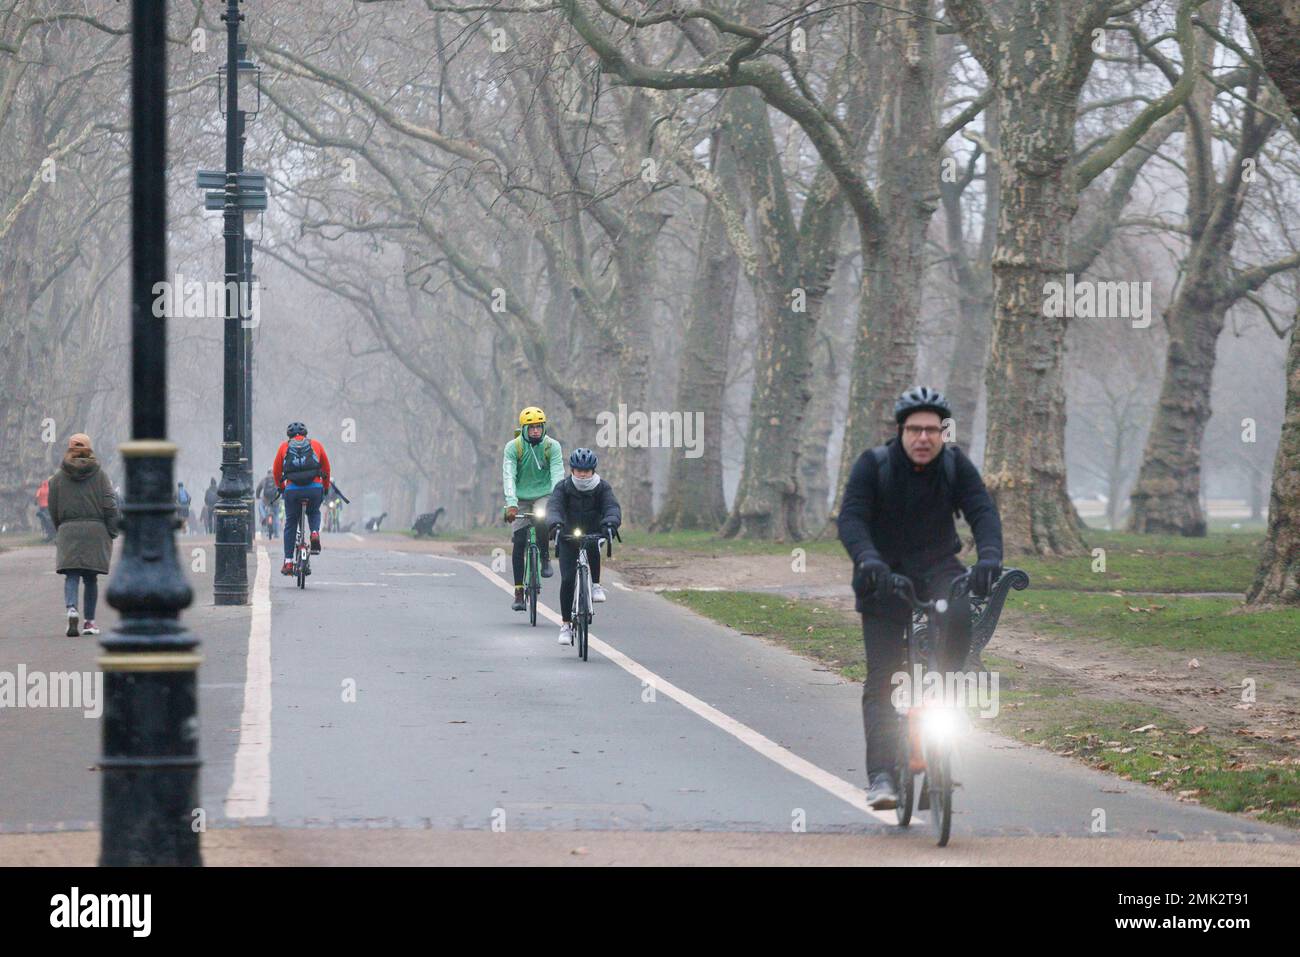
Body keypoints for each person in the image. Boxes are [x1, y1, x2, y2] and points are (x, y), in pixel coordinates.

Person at [837, 386, 1003, 810]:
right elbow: (852, 519)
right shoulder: (873, 466)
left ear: (943, 433)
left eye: (932, 429)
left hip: (937, 571)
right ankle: (882, 777)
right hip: (884, 577)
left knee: (960, 610)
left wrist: (989, 558)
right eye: (915, 429)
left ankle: (945, 704)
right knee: (884, 679)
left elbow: (982, 510)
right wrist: (868, 560)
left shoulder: (954, 465)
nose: (924, 438)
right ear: (901, 432)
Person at [546, 448, 621, 646]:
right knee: (568, 579)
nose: (582, 474)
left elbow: (611, 507)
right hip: (568, 536)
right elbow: (554, 507)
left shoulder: (602, 487)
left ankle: (596, 585)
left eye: (586, 471)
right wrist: (555, 524)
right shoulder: (563, 487)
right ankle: (565, 625)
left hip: (593, 532)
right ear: (572, 470)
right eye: (578, 470)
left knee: (593, 546)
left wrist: (610, 523)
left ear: (593, 470)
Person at [47, 433, 119, 637]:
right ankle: (89, 622)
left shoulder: (58, 477)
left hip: (68, 530)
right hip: (95, 532)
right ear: (90, 449)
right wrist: (112, 530)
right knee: (90, 578)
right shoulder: (100, 475)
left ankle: (71, 609)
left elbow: (52, 507)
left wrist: (60, 528)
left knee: (71, 574)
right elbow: (110, 505)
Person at [502, 406, 563, 611]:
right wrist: (511, 503)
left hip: (544, 494)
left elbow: (557, 474)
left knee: (541, 519)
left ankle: (545, 557)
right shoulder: (514, 447)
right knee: (519, 541)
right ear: (524, 429)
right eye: (531, 427)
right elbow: (508, 475)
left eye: (539, 427)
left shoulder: (552, 446)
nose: (535, 431)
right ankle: (519, 591)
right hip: (519, 497)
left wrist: (557, 500)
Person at [272, 421, 331, 575]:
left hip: (293, 490)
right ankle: (314, 533)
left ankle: (289, 562)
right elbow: (326, 467)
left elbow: (277, 471)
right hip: (314, 488)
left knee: (291, 521)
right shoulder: (316, 445)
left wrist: (282, 488)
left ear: (289, 435)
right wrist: (324, 487)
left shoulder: (284, 447)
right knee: (313, 511)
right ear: (305, 434)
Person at [255, 468, 279, 539]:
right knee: (276, 516)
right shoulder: (277, 479)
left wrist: (257, 496)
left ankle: (264, 516)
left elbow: (258, 489)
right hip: (275, 501)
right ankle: (276, 534)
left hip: (266, 500)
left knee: (260, 506)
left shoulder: (264, 479)